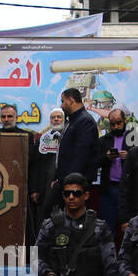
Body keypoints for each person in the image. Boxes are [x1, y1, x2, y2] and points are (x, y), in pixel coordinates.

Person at [40, 89, 99, 220]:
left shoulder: (85, 121)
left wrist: (69, 182)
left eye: (63, 101)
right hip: (65, 180)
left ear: (71, 100)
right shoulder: (73, 121)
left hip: (74, 184)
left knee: (60, 217)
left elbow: (81, 156)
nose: (61, 105)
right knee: (53, 218)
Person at [27, 108, 63, 242]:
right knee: (41, 222)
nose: (56, 120)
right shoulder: (44, 138)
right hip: (44, 189)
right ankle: (38, 257)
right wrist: (35, 189)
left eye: (59, 117)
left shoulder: (68, 137)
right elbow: (36, 165)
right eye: (53, 117)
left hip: (62, 188)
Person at [95, 108, 132, 234]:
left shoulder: (134, 138)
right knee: (107, 228)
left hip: (128, 189)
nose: (116, 126)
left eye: (119, 123)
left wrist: (129, 156)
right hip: (109, 188)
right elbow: (94, 161)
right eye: (113, 124)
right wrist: (106, 157)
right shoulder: (104, 140)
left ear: (125, 121)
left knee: (130, 228)